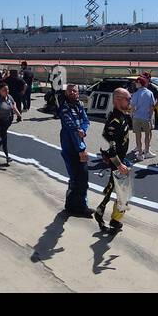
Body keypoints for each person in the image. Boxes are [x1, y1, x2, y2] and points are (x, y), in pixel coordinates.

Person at [93, 88, 134, 232]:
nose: (130, 101)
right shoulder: (113, 121)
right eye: (127, 99)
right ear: (117, 100)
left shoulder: (123, 116)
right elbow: (106, 145)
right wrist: (118, 164)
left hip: (122, 160)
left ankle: (110, 216)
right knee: (119, 192)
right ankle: (106, 215)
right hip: (117, 163)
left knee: (120, 192)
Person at [57, 84, 93, 217]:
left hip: (78, 143)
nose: (73, 92)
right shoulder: (64, 107)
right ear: (66, 93)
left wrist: (83, 130)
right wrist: (81, 149)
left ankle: (76, 206)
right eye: (70, 90)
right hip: (71, 147)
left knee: (81, 178)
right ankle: (76, 207)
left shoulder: (79, 105)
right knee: (78, 178)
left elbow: (86, 121)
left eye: (75, 91)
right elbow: (71, 129)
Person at [0, 82, 21, 164]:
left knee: (4, 138)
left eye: (7, 89)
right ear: (0, 91)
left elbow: (14, 106)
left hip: (8, 121)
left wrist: (18, 115)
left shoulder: (9, 97)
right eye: (4, 90)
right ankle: (7, 157)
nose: (6, 91)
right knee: (5, 139)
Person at [129, 75, 158, 159]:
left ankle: (140, 154)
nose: (135, 84)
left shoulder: (136, 93)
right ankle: (147, 151)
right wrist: (150, 116)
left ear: (140, 83)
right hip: (146, 117)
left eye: (137, 83)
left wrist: (132, 115)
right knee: (147, 135)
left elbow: (133, 106)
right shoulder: (150, 93)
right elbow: (152, 106)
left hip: (137, 117)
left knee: (138, 136)